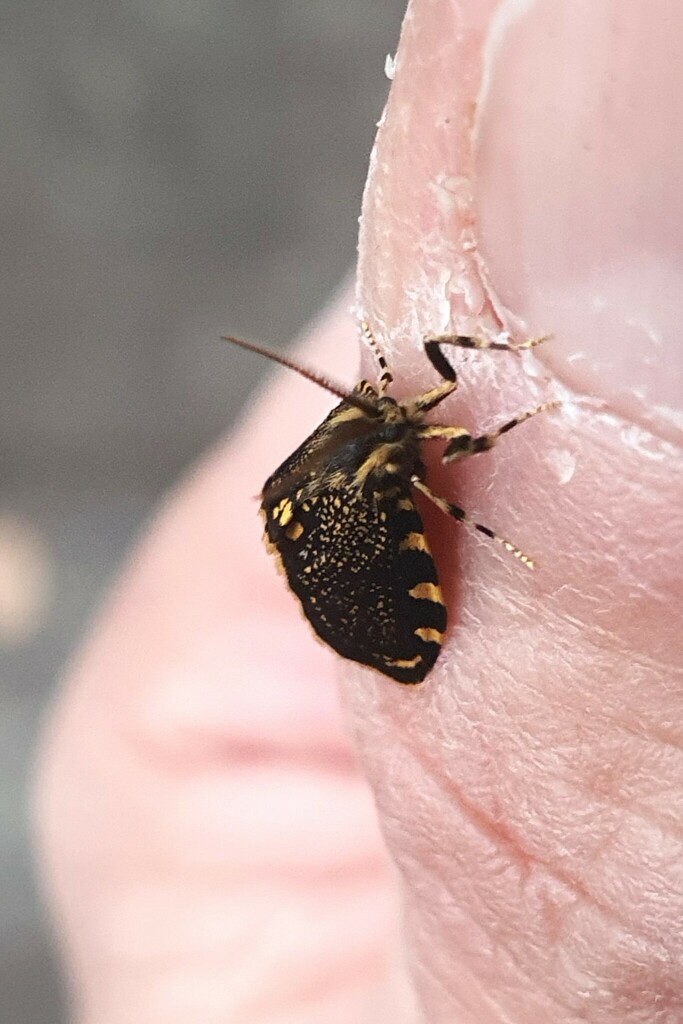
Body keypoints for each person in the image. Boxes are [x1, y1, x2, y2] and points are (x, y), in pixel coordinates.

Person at [35, 1, 683, 1020]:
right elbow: (427, 459)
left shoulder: (379, 431)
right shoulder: (383, 463)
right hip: (371, 579)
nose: (404, 399)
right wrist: (546, 419)